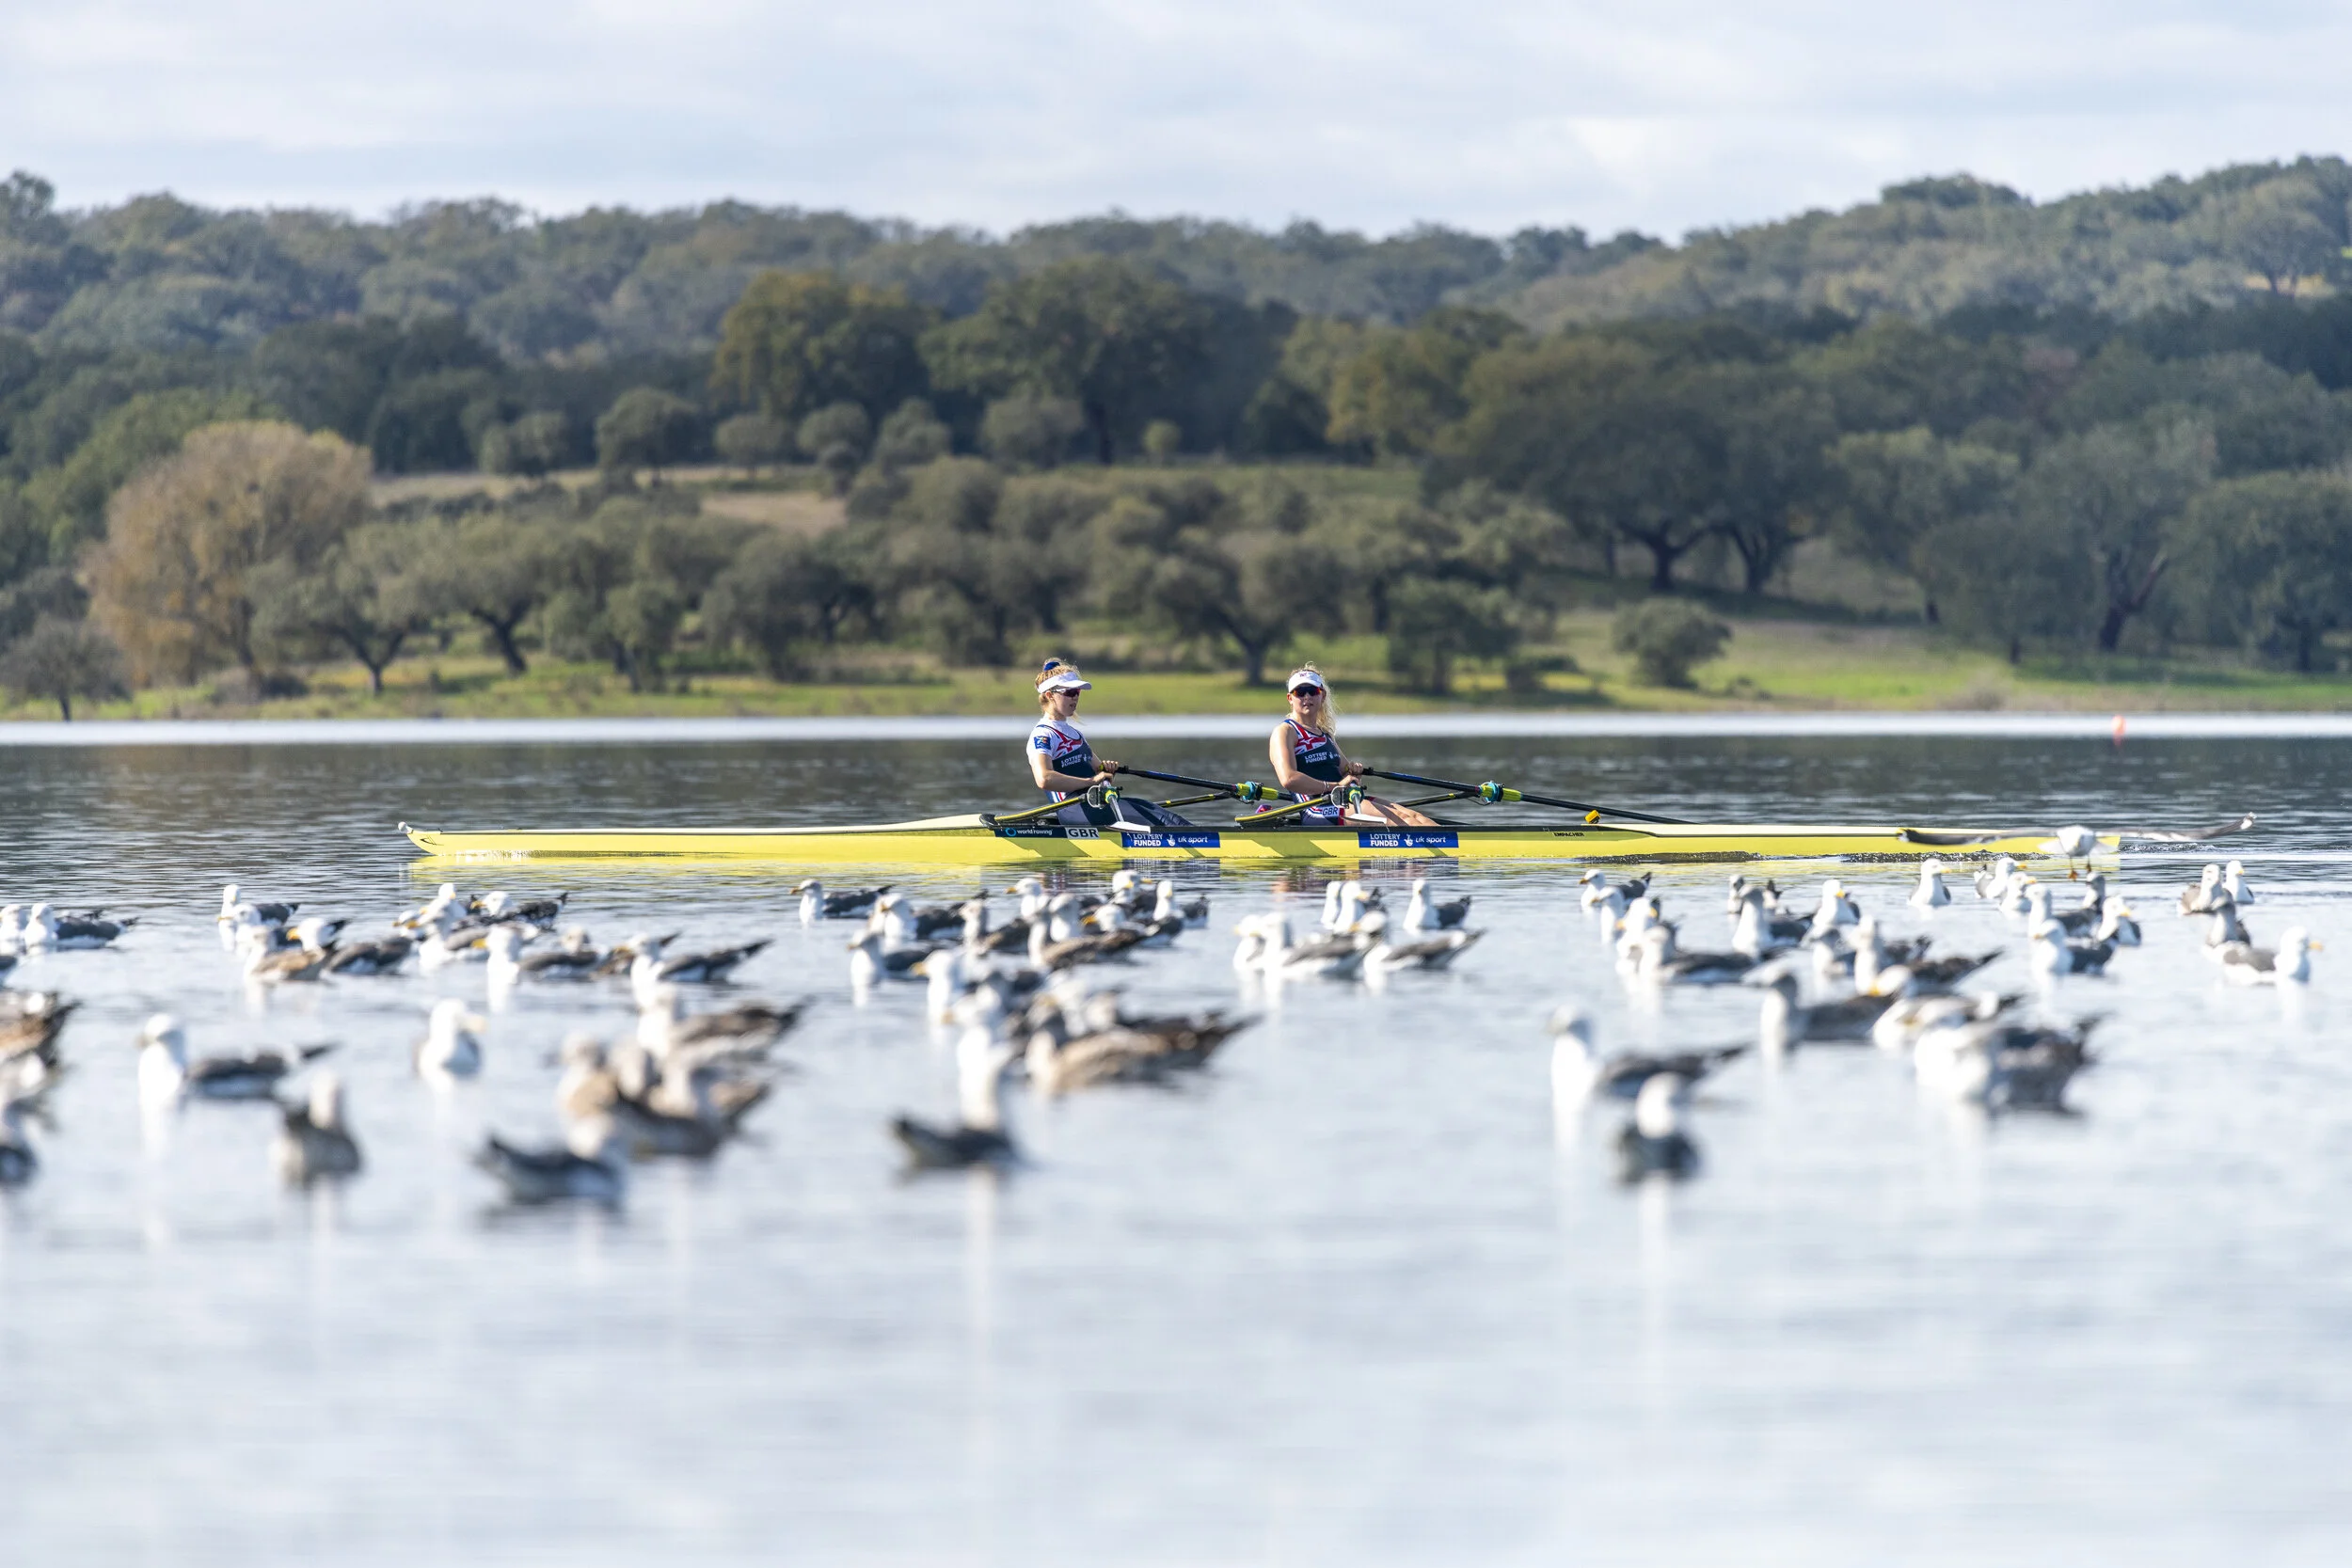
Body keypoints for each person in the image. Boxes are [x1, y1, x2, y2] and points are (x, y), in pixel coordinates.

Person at [1265, 666, 1437, 828]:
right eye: (1300, 692)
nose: (1307, 697)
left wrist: (1353, 771)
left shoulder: (1325, 734)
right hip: (1317, 809)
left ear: (1322, 695)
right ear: (1290, 698)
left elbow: (1346, 773)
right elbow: (1289, 779)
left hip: (1343, 800)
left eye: (1312, 691)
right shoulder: (1285, 732)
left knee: (1417, 818)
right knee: (1403, 821)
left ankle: (1454, 847)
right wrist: (1334, 787)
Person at [1026, 658, 1189, 828]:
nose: (1075, 697)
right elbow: (1044, 779)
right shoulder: (1043, 735)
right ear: (1049, 695)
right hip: (1073, 808)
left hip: (1095, 803)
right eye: (1069, 692)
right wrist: (1091, 781)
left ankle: (1208, 840)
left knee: (1163, 815)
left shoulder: (1075, 734)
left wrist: (1107, 769)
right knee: (1159, 821)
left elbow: (1100, 772)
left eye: (1077, 692)